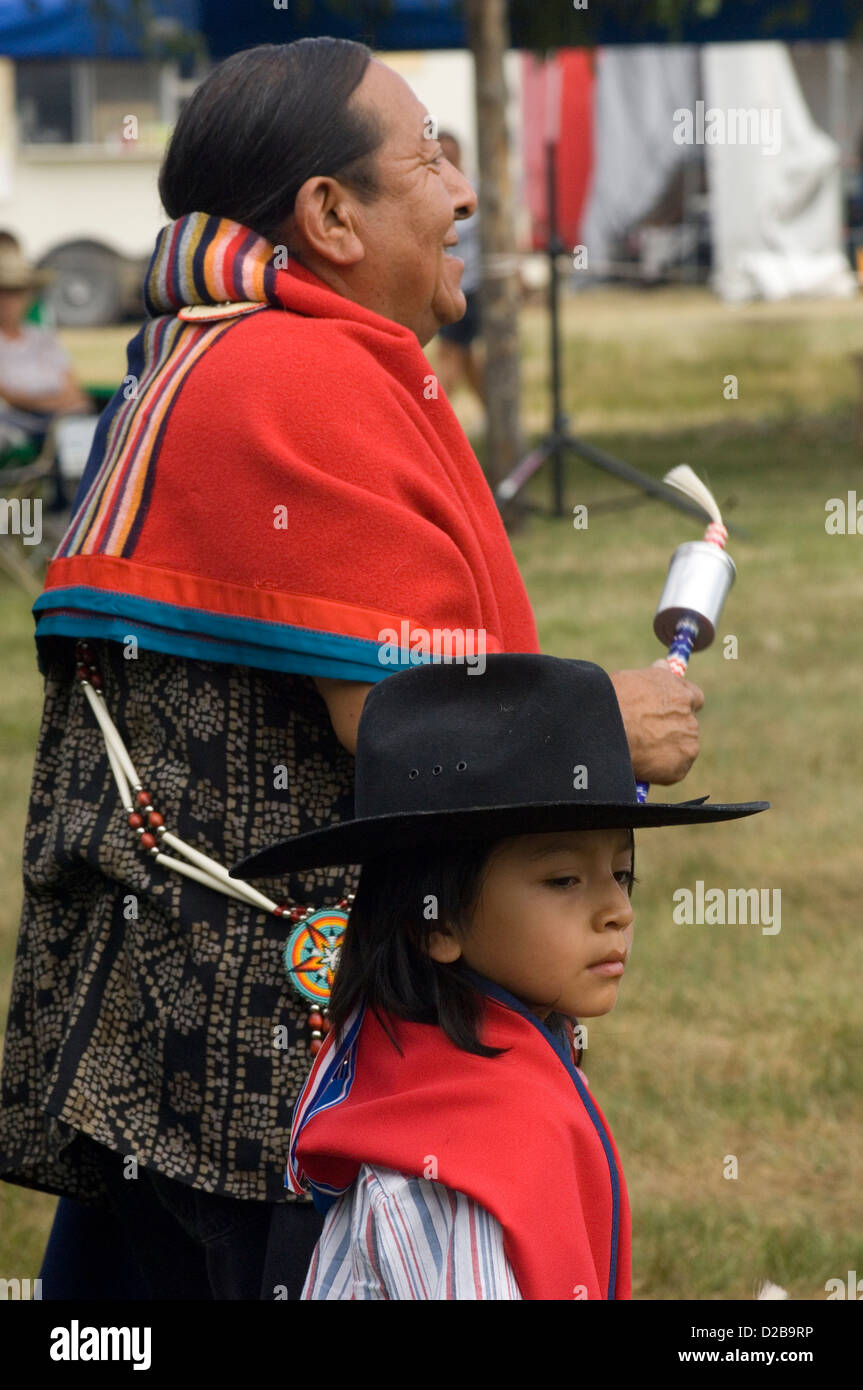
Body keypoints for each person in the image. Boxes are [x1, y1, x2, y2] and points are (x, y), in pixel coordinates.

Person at [0, 38, 705, 1302]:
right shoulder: (291, 371)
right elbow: (408, 725)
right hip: (255, 1069)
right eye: (428, 155)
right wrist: (607, 717)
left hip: (173, 1043)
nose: (464, 191)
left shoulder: (218, 349)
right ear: (328, 215)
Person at [231, 654, 768, 1300]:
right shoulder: (451, 1174)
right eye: (563, 880)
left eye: (620, 874)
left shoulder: (468, 1070)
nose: (617, 910)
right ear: (436, 925)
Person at [0, 239, 90, 461]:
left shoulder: (42, 338)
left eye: (17, 293)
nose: (10, 302)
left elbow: (73, 387)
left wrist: (60, 407)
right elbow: (7, 395)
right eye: (5, 293)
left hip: (61, 420)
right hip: (16, 423)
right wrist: (50, 406)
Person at [435, 132, 485, 407]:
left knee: (455, 355)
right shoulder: (430, 195)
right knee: (461, 354)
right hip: (449, 285)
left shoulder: (474, 191)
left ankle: (437, 418)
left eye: (451, 154)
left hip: (474, 287)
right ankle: (498, 417)